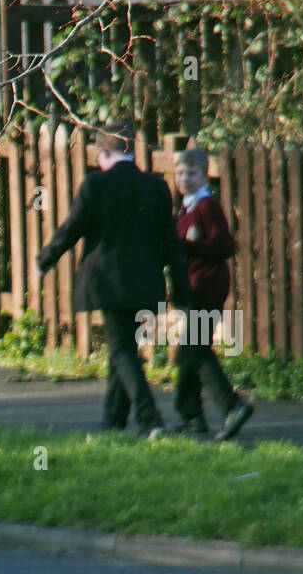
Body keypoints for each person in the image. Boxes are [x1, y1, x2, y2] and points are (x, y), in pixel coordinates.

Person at [35, 122, 192, 439]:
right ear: (131, 151)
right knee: (124, 349)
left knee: (121, 351)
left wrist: (43, 261)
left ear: (103, 152)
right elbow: (172, 245)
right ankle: (113, 422)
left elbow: (71, 230)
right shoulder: (157, 188)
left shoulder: (95, 185)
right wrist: (181, 290)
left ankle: (151, 420)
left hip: (108, 283)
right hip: (146, 283)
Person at [172, 146, 254, 441]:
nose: (185, 178)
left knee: (195, 350)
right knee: (188, 352)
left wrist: (188, 247)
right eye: (180, 173)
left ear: (205, 175)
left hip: (207, 287)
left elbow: (225, 246)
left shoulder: (207, 207)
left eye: (191, 173)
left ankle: (233, 406)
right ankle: (191, 416)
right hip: (192, 287)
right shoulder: (184, 208)